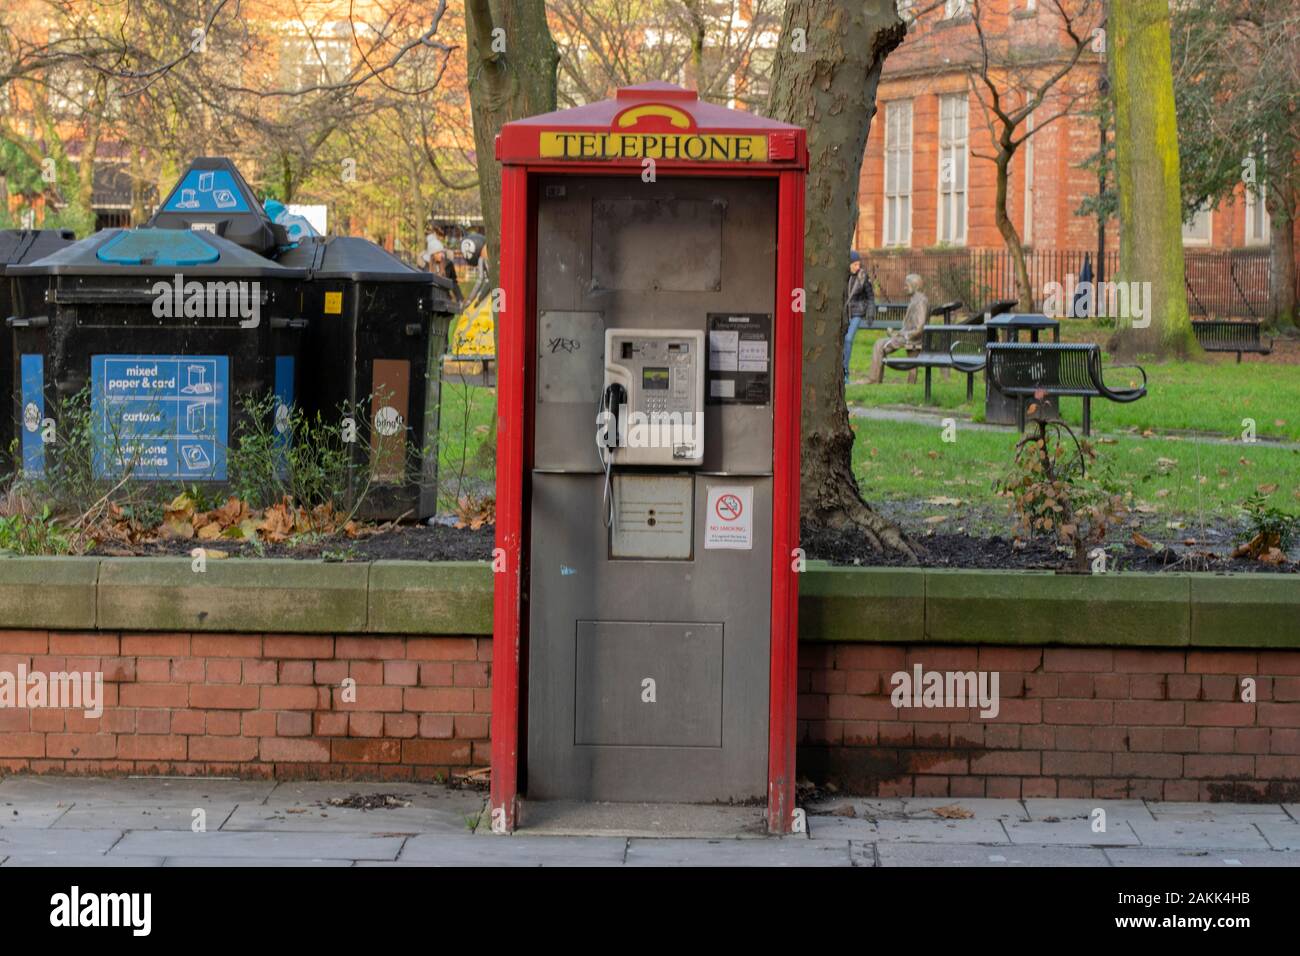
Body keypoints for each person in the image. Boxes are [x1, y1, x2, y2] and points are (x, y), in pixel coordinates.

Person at [867, 273, 928, 384]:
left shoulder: (920, 301)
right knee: (880, 343)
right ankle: (877, 380)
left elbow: (920, 327)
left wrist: (903, 335)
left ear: (915, 285)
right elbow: (910, 326)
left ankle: (873, 379)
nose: (904, 288)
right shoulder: (915, 300)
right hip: (909, 336)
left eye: (907, 285)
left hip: (913, 338)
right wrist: (897, 333)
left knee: (879, 344)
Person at [842, 250, 875, 385]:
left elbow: (870, 296)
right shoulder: (843, 277)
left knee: (848, 339)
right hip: (845, 313)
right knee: (841, 342)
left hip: (857, 313)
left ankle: (846, 373)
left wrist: (870, 312)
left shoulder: (862, 276)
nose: (857, 267)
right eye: (854, 264)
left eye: (858, 264)